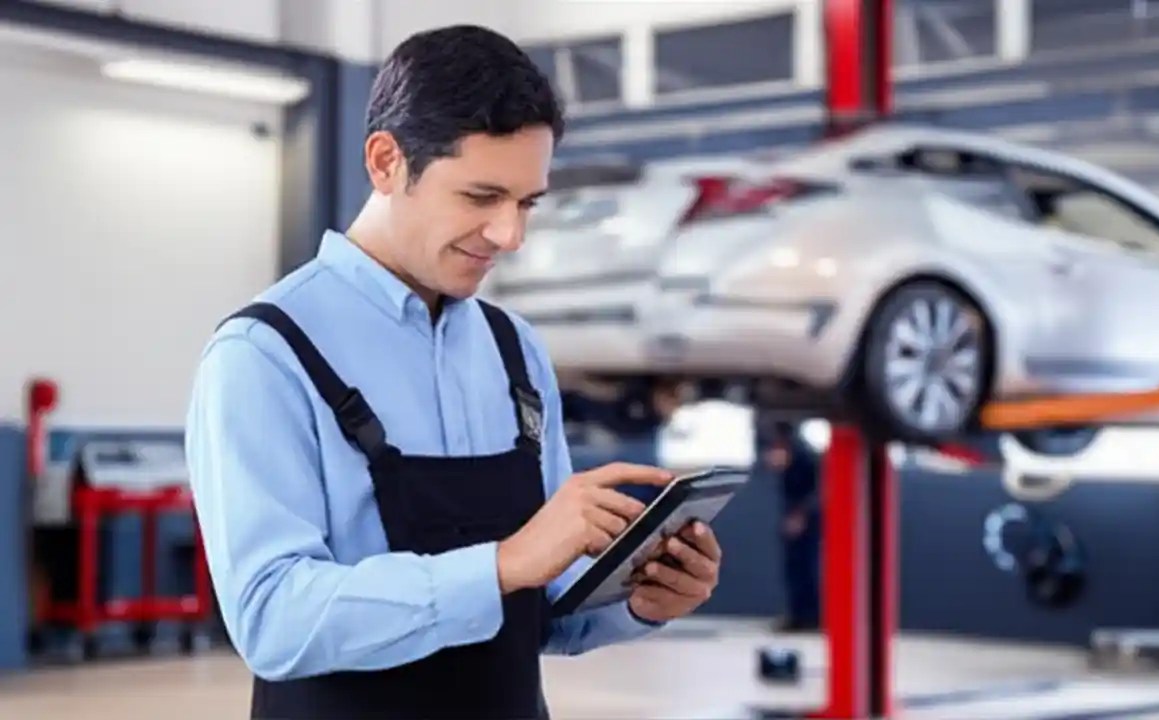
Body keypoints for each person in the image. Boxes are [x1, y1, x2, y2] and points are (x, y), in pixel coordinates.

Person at [184, 25, 723, 720]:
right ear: (385, 162)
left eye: (527, 203)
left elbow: (541, 609)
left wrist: (638, 601)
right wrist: (501, 565)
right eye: (480, 197)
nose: (510, 236)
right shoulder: (263, 355)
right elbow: (271, 619)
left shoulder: (514, 350)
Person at [762, 422, 821, 632]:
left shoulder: (805, 457)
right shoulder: (795, 457)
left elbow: (817, 491)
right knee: (795, 568)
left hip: (808, 520)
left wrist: (801, 515)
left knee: (807, 568)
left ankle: (810, 616)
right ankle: (799, 615)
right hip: (796, 516)